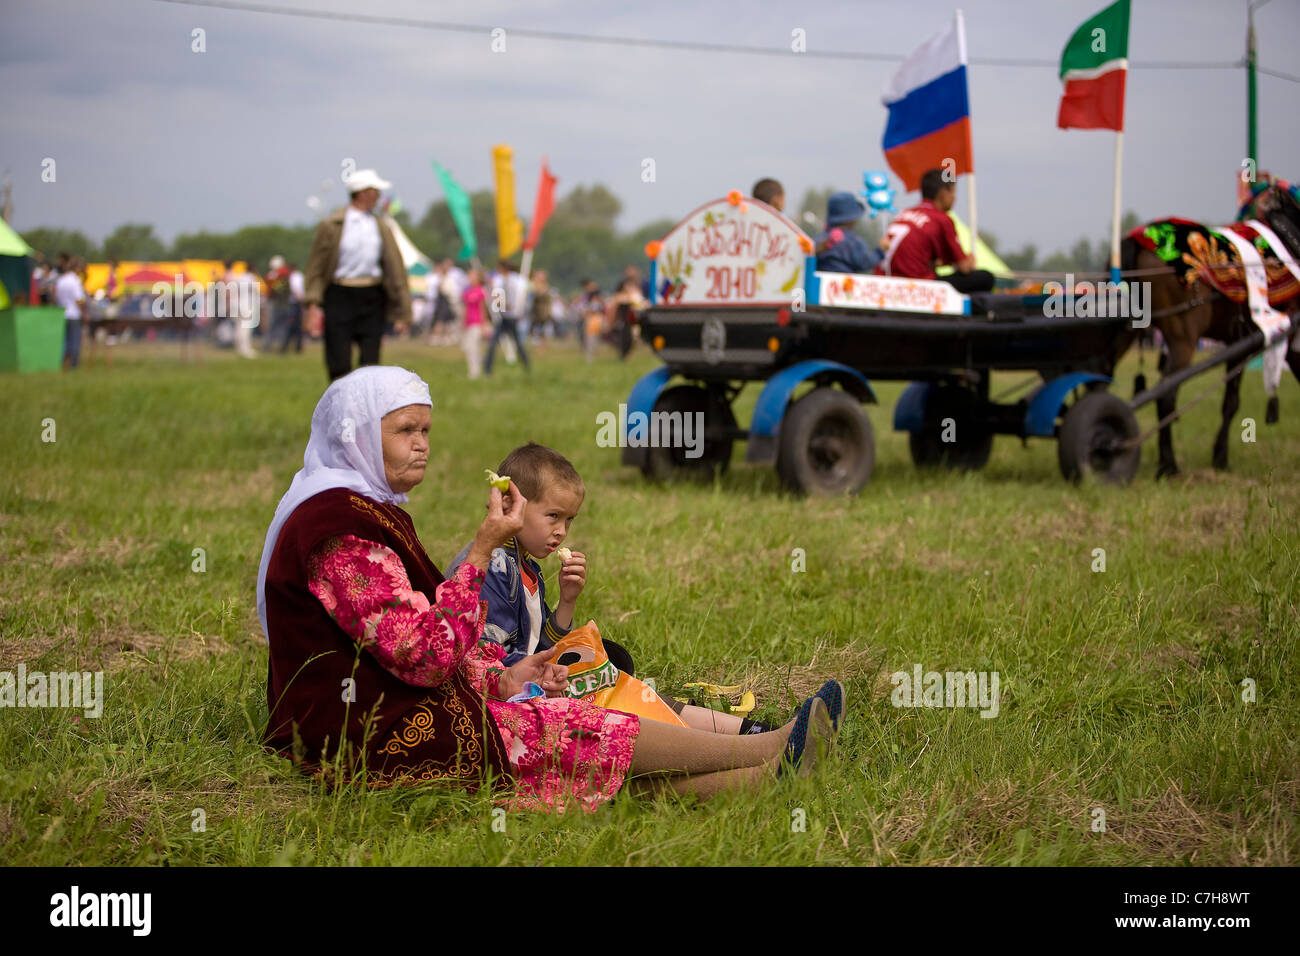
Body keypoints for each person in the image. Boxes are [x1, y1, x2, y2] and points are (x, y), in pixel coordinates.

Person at [257, 366, 844, 809]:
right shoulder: (334, 529)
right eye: (404, 429)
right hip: (358, 733)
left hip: (397, 702)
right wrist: (483, 551)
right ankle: (771, 749)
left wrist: (506, 674)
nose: (422, 444)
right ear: (356, 434)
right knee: (563, 725)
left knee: (573, 742)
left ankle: (769, 776)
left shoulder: (367, 510)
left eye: (427, 429)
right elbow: (425, 656)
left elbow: (424, 643)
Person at [449, 442, 779, 736]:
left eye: (569, 520)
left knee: (617, 677)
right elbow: (488, 665)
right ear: (510, 504)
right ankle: (746, 740)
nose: (561, 531)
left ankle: (749, 733)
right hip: (502, 708)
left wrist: (567, 600)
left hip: (529, 686)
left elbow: (541, 645)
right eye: (553, 516)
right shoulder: (493, 566)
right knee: (616, 689)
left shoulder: (525, 565)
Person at [303, 168, 412, 380]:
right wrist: (312, 305)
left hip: (372, 295)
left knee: (370, 363)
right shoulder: (332, 226)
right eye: (375, 191)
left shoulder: (381, 226)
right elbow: (316, 267)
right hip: (339, 294)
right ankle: (340, 407)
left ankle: (365, 409)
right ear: (363, 193)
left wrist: (403, 309)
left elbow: (395, 269)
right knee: (339, 360)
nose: (379, 196)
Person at [877, 168, 995, 294]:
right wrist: (969, 261)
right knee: (985, 278)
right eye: (953, 193)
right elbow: (964, 268)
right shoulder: (941, 219)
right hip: (918, 283)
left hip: (886, 277)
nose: (954, 198)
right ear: (943, 193)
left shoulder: (904, 213)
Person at [815, 192, 883, 275]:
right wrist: (879, 252)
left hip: (818, 285)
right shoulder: (853, 243)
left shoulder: (819, 240)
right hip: (844, 285)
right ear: (853, 220)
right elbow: (864, 262)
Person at [483, 259, 531, 375]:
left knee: (507, 343)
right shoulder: (507, 280)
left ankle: (526, 365)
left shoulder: (509, 280)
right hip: (507, 317)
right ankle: (488, 369)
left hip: (508, 317)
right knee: (506, 343)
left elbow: (502, 301)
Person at [54, 254, 86, 370]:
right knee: (75, 341)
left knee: (65, 342)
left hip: (62, 313)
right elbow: (79, 300)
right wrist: (84, 313)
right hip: (74, 314)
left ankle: (61, 363)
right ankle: (73, 366)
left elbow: (55, 297)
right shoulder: (75, 281)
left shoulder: (60, 280)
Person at [461, 267, 487, 380]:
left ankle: (475, 372)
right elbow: (465, 308)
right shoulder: (467, 292)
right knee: (468, 347)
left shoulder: (481, 291)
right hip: (468, 323)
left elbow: (483, 309)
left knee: (474, 347)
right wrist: (463, 322)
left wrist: (484, 324)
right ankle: (477, 366)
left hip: (477, 323)